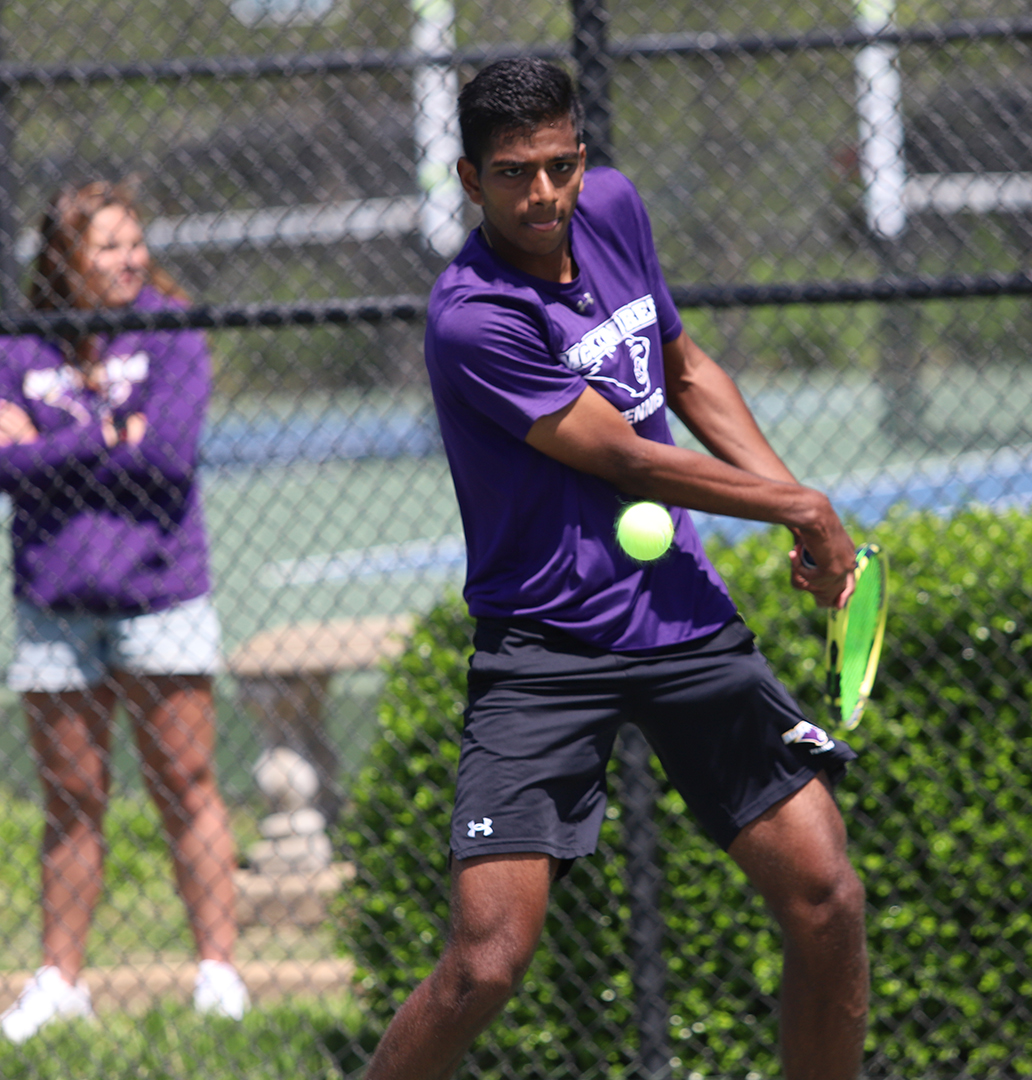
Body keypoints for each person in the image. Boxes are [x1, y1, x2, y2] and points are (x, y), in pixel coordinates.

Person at [367, 59, 869, 1080]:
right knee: (487, 962)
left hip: (679, 619)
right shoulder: (472, 316)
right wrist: (799, 506)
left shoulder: (614, 210)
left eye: (559, 166)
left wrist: (797, 512)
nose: (543, 195)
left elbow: (683, 371)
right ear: (469, 178)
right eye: (514, 174)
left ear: (582, 157)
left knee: (827, 897)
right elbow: (627, 456)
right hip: (545, 647)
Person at [0, 180, 246, 1042]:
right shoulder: (15, 343)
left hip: (160, 592)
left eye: (135, 243)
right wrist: (104, 436)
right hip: (54, 604)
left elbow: (163, 458)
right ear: (64, 260)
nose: (130, 261)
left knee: (186, 785)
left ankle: (218, 976)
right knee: (72, 799)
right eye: (108, 247)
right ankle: (60, 985)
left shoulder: (171, 326)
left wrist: (48, 447)